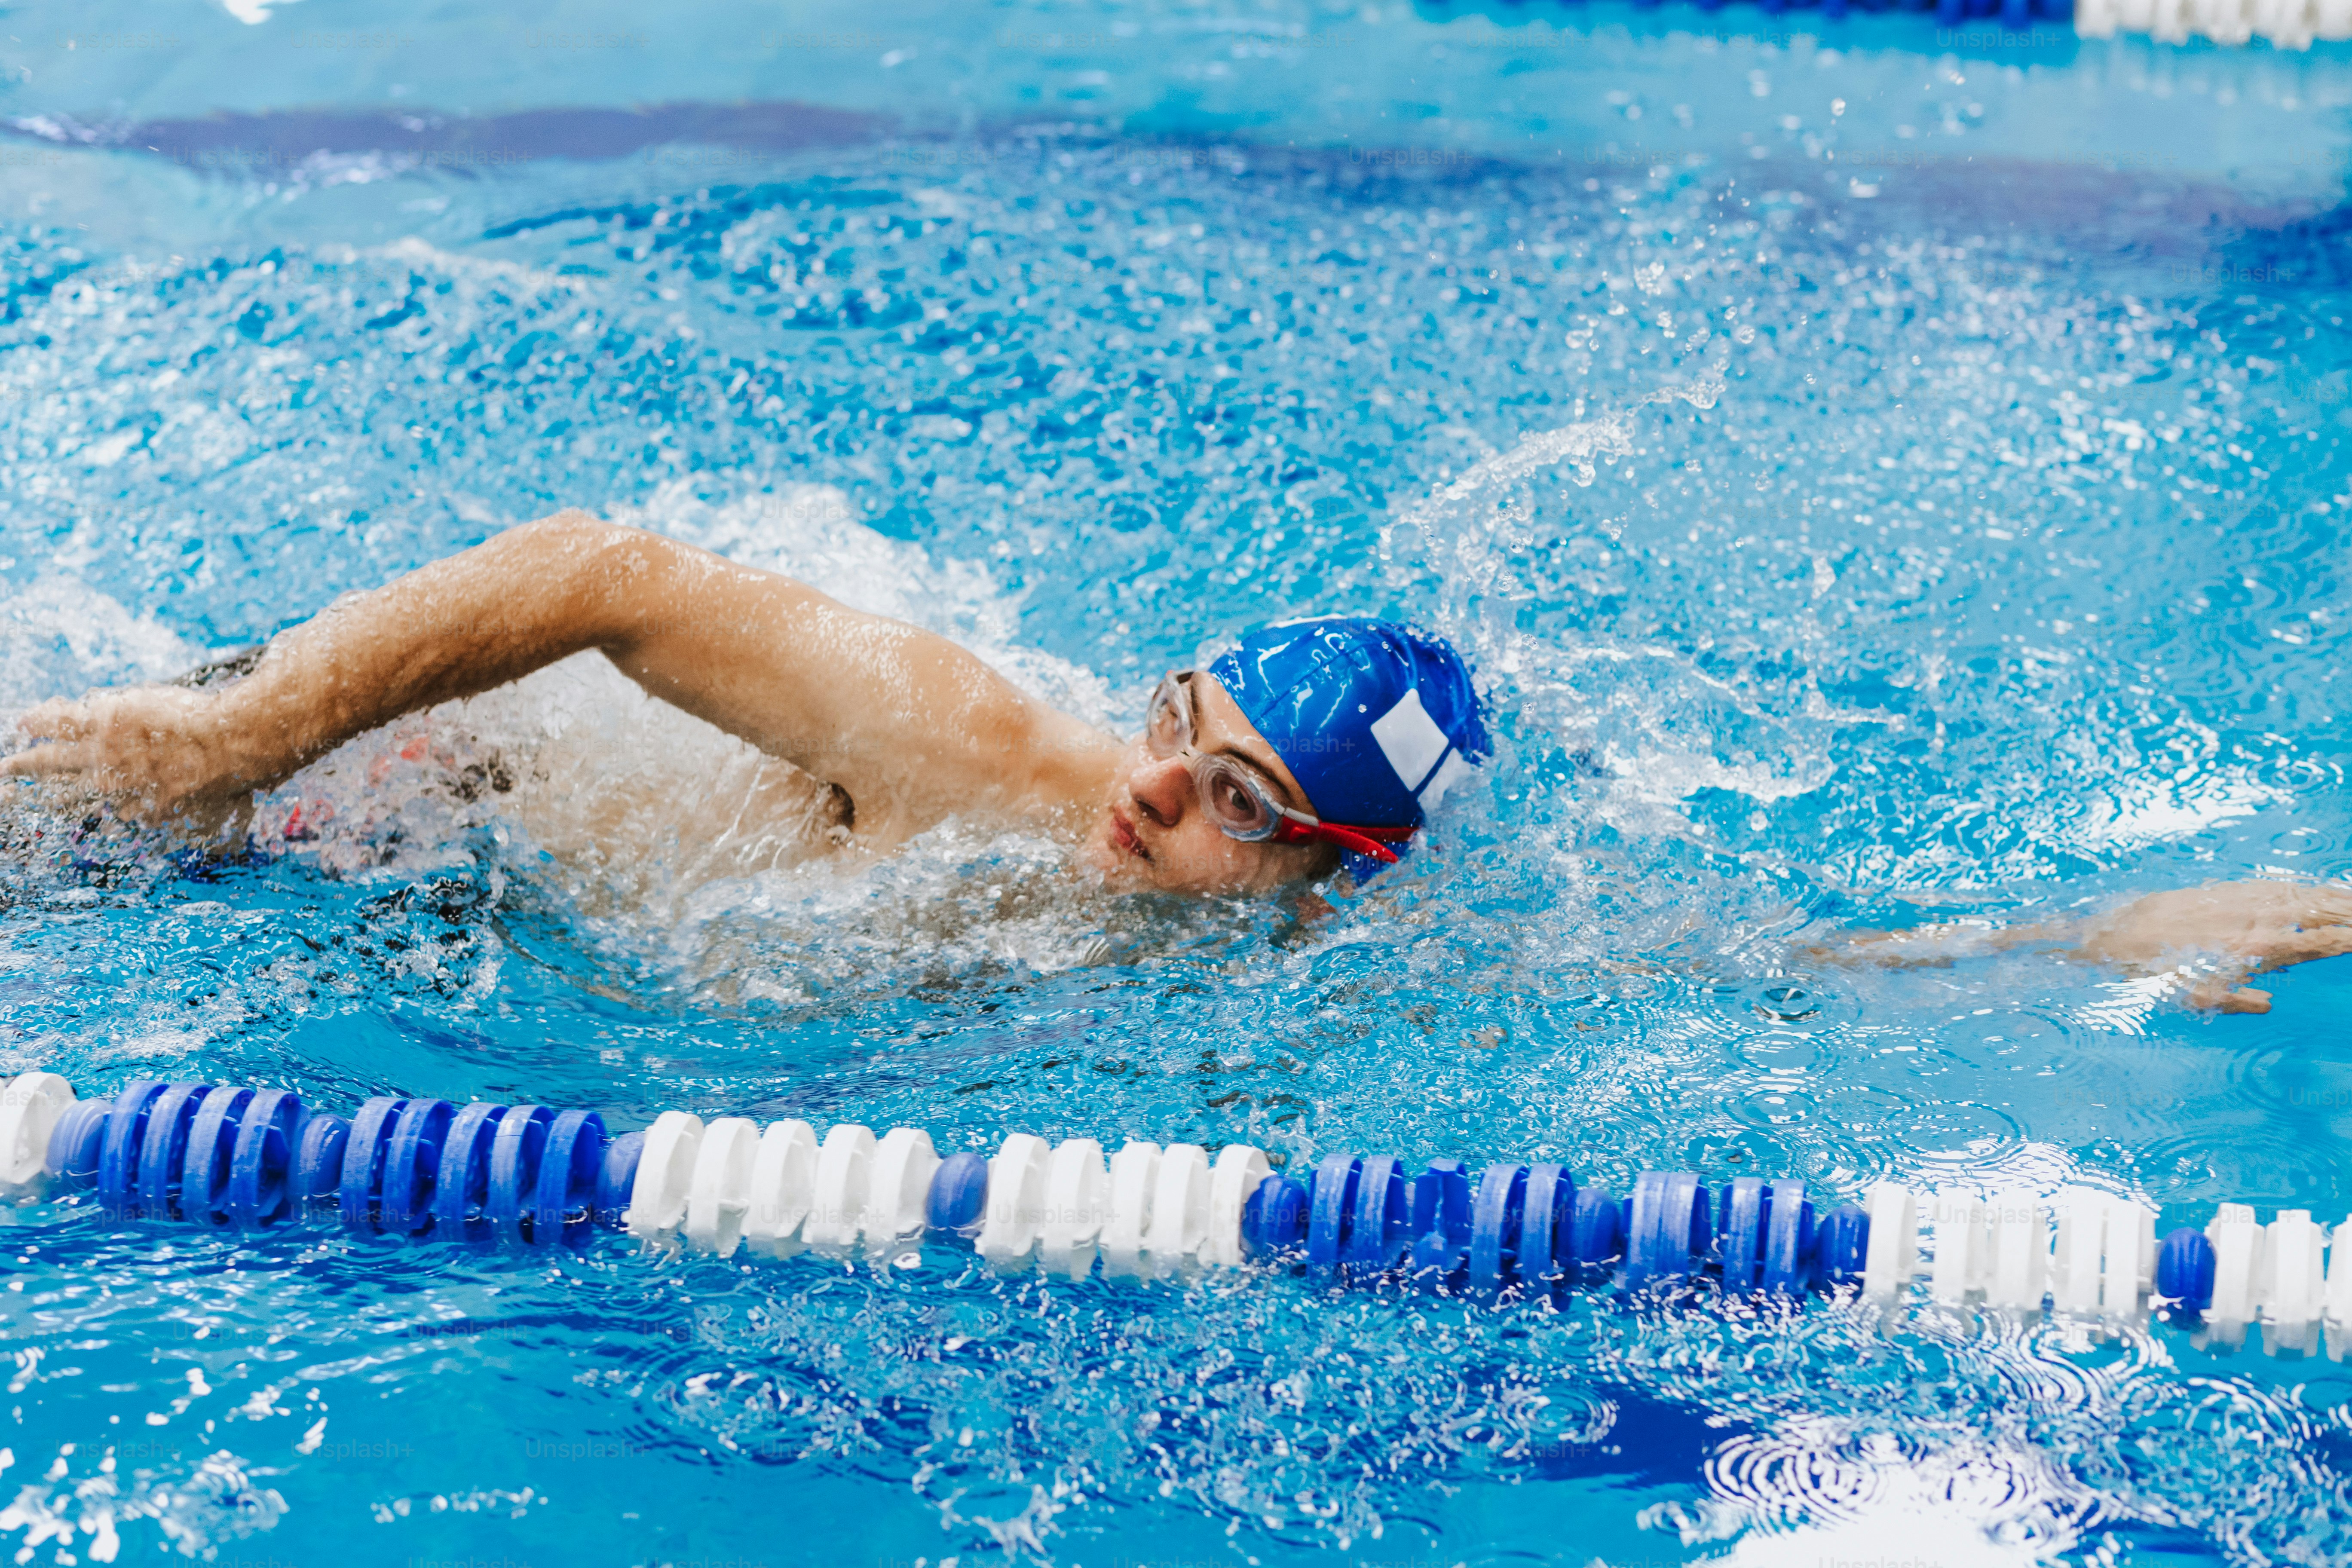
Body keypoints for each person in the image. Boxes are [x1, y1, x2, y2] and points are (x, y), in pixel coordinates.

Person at [9, 509, 2349, 1011]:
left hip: (451, 919)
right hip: (416, 792)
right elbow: (620, 572)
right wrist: (248, 736)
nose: (1162, 798)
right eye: (1182, 735)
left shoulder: (1345, 972)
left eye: (1243, 806)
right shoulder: (986, 751)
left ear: (1340, 875)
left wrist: (2087, 936)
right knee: (91, 780)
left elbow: (1725, 963)